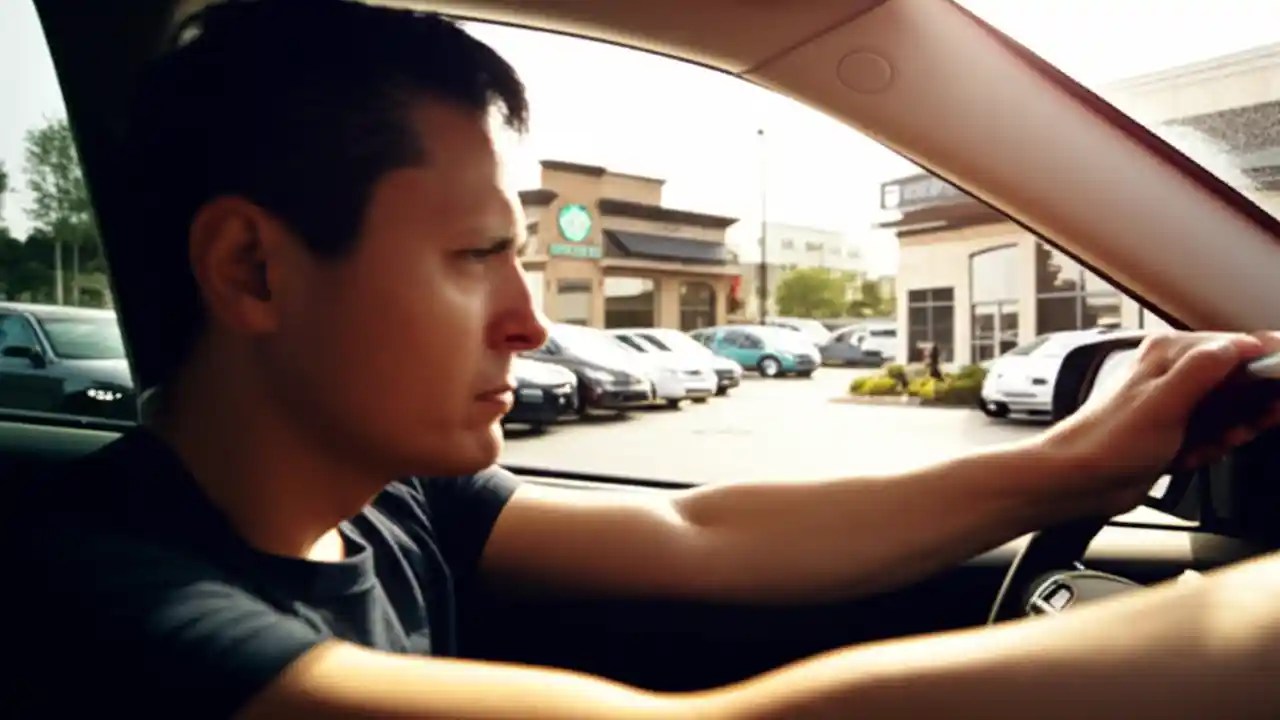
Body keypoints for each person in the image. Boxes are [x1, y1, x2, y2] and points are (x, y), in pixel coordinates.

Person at [10, 1, 1280, 718]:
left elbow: (702, 536)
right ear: (253, 271)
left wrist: (1067, 468)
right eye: (471, 257)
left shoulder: (394, 508)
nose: (528, 319)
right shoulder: (93, 605)